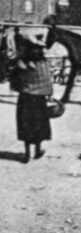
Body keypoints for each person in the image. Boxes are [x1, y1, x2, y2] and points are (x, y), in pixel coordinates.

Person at [15, 34, 54, 163]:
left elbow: (16, 80)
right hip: (39, 99)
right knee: (39, 125)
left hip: (25, 97)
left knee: (25, 125)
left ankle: (26, 154)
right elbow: (48, 80)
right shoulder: (43, 63)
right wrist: (49, 93)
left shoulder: (22, 62)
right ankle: (37, 150)